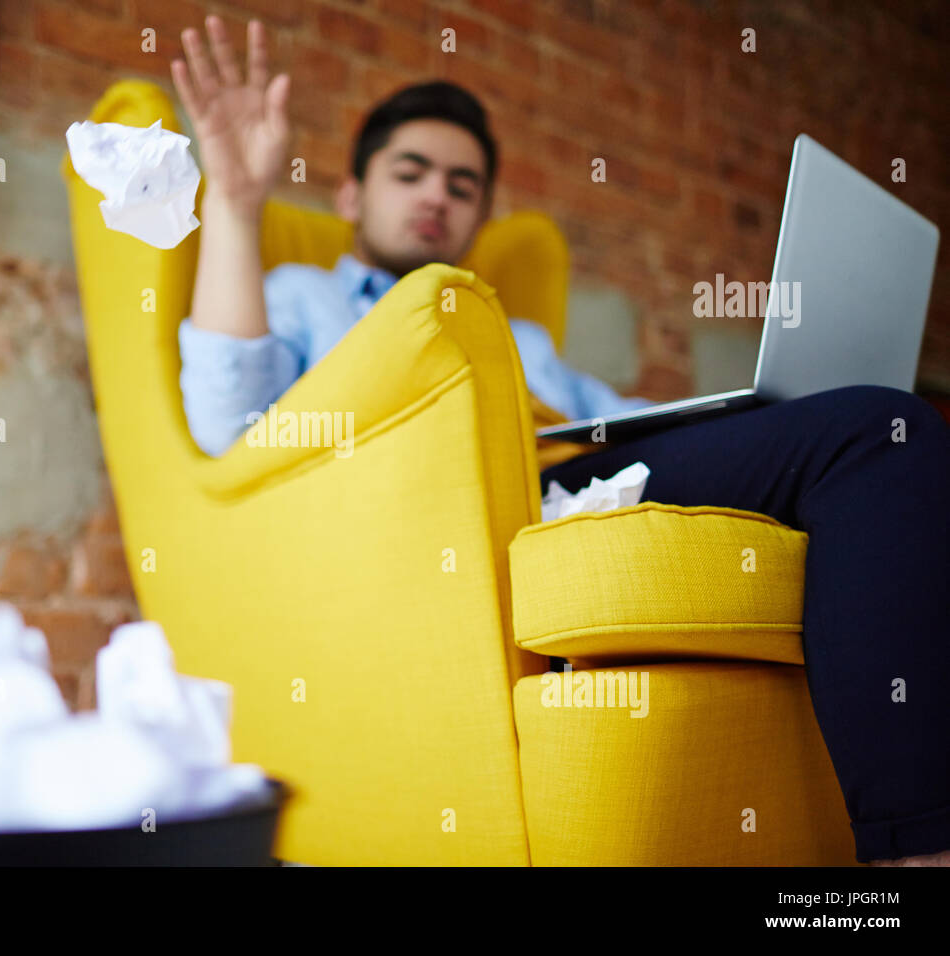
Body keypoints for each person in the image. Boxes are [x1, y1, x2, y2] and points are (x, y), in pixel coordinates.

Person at [169, 15, 950, 866]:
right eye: (412, 172)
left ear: (479, 218)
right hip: (459, 507)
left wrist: (748, 415)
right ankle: (915, 856)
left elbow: (625, 416)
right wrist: (238, 206)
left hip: (587, 470)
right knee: (878, 433)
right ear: (353, 196)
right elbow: (229, 427)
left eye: (463, 186)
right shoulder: (301, 298)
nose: (437, 195)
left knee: (878, 439)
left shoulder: (521, 337)